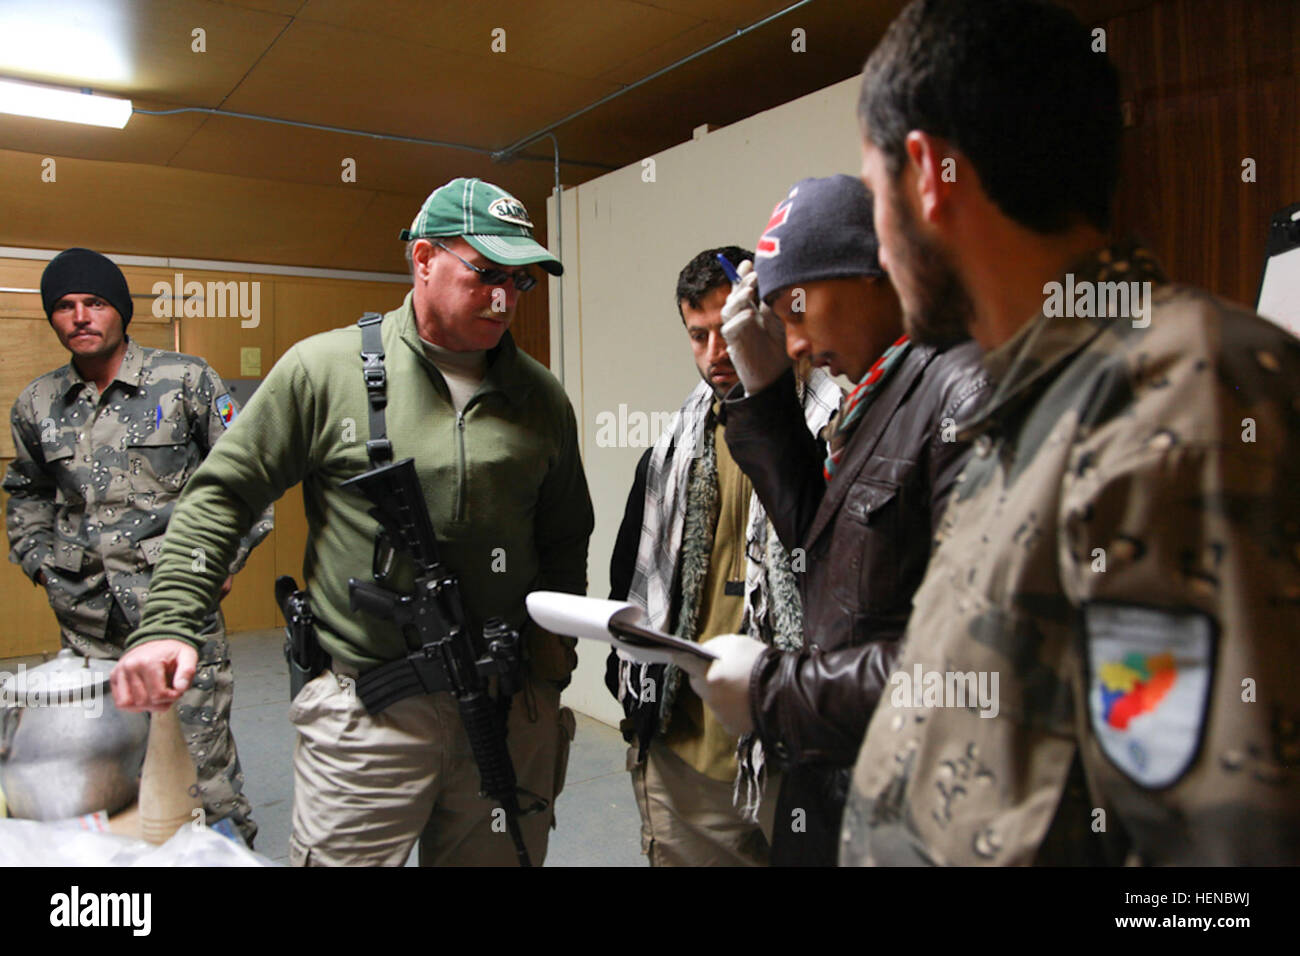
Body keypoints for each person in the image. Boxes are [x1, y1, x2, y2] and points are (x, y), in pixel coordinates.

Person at [836, 0, 1300, 864]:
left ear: (930, 171)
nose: (879, 247)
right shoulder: (1031, 405)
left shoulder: (1174, 397)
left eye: (873, 196)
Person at [110, 178, 594, 866]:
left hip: (505, 704)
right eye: (485, 274)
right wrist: (170, 620)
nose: (504, 299)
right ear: (423, 260)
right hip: (370, 711)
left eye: (521, 283)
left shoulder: (541, 397)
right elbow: (225, 494)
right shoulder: (326, 369)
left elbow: (564, 534)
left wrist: (549, 669)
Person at [688, 176, 991, 865]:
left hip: (915, 801)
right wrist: (763, 395)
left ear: (874, 272)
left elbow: (971, 666)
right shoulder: (880, 396)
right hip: (845, 770)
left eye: (797, 310)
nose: (792, 343)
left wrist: (774, 689)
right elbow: (819, 549)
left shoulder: (962, 393)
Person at [4, 247, 270, 843]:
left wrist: (219, 565)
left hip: (177, 608)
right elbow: (26, 493)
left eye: (94, 303)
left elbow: (246, 479)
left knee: (202, 761)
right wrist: (42, 566)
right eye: (65, 307)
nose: (80, 317)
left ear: (121, 311)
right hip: (86, 616)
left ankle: (225, 854)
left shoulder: (185, 380)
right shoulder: (38, 403)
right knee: (99, 763)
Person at [606, 246, 841, 865]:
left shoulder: (836, 434)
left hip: (797, 749)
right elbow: (630, 579)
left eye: (726, 328)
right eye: (697, 334)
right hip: (687, 747)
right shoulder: (670, 450)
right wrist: (637, 705)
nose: (715, 352)